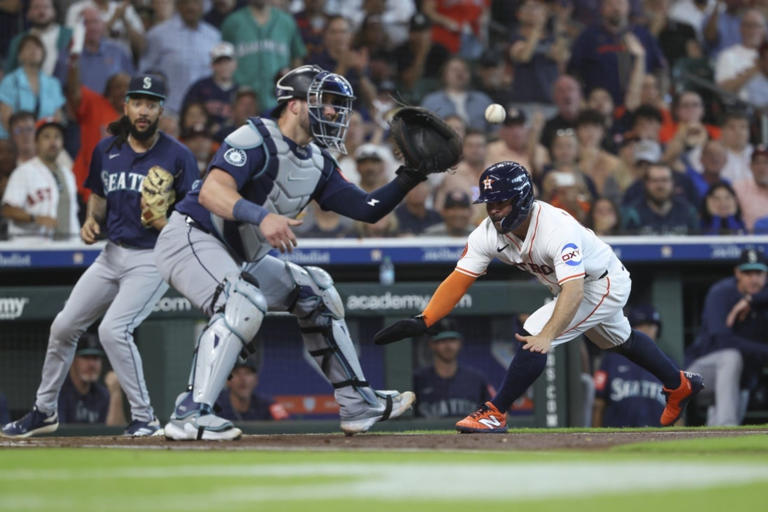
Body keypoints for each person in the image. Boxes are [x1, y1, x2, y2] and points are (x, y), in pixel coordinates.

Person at [154, 64, 426, 440]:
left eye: (337, 105)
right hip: (189, 237)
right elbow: (210, 192)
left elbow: (368, 209)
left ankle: (357, 402)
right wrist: (262, 217)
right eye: (325, 102)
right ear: (295, 104)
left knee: (316, 290)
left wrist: (410, 175)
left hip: (236, 255)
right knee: (243, 300)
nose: (333, 112)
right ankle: (191, 413)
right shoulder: (253, 137)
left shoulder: (317, 161)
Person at [373, 161, 703, 433]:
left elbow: (574, 289)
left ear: (522, 199)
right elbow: (460, 278)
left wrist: (547, 336)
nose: (494, 211)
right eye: (490, 204)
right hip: (572, 285)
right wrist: (425, 318)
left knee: (534, 330)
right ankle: (678, 383)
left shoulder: (556, 228)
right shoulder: (487, 233)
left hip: (601, 283)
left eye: (501, 203)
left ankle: (495, 412)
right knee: (618, 340)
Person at [0, 74, 198, 439]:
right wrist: (92, 219)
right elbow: (98, 194)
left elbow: (194, 218)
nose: (143, 111)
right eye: (138, 102)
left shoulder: (178, 155)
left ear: (160, 111)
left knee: (113, 330)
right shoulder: (107, 149)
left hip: (152, 258)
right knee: (62, 326)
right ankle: (44, 412)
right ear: (126, 106)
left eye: (151, 104)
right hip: (111, 255)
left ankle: (145, 418)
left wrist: (163, 221)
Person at [686, 249, 768, 426]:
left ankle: (721, 429)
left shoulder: (761, 298)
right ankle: (727, 425)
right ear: (737, 273)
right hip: (699, 376)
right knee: (731, 357)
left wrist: (752, 300)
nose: (754, 279)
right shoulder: (721, 293)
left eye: (759, 273)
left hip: (739, 381)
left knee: (716, 433)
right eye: (748, 273)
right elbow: (723, 341)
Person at [221, 0, 306, 112]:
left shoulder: (287, 21)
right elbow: (222, 61)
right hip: (243, 100)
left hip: (279, 100)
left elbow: (297, 57)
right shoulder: (232, 22)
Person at [1, 118, 78, 240]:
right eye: (46, 137)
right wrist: (35, 218)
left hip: (68, 246)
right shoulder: (23, 172)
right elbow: (7, 210)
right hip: (31, 248)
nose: (53, 142)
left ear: (62, 143)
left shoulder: (69, 175)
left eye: (57, 137)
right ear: (36, 142)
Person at [139, 0, 221, 114]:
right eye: (185, 2)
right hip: (167, 109)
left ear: (203, 6)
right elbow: (145, 72)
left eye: (196, 3)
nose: (191, 7)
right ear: (177, 5)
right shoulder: (158, 34)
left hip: (204, 112)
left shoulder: (214, 36)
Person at [592, 304, 667, 427]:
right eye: (641, 325)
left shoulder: (668, 362)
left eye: (651, 326)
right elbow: (598, 404)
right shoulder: (610, 360)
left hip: (658, 437)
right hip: (617, 434)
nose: (647, 330)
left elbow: (678, 409)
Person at [412, 319, 494, 418]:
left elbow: (494, 416)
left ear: (460, 343)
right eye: (442, 341)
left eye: (452, 340)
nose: (448, 346)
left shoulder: (476, 380)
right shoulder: (417, 380)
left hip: (468, 433)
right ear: (432, 344)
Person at [0, 34, 66, 140]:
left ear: (43, 54)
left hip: (44, 142)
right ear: (20, 55)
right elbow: (5, 118)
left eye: (37, 47)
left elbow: (57, 117)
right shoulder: (10, 81)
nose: (34, 50)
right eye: (28, 47)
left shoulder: (53, 84)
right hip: (13, 141)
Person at [57, 333, 126, 426]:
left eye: (95, 358)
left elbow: (116, 434)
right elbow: (57, 437)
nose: (91, 364)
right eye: (85, 357)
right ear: (72, 360)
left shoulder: (102, 395)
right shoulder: (58, 394)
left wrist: (115, 393)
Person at [622, 163, 700, 235]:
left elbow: (697, 244)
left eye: (664, 180)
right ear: (646, 184)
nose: (660, 185)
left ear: (673, 182)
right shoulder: (632, 213)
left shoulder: (687, 211)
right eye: (655, 180)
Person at [181, 42, 239, 136]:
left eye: (227, 62)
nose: (224, 66)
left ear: (235, 64)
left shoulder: (241, 91)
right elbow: (186, 116)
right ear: (212, 65)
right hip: (202, 137)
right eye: (219, 63)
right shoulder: (199, 87)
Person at [215, 354, 290, 422]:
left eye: (248, 373)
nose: (242, 379)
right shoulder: (215, 406)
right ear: (228, 381)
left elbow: (287, 427)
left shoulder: (267, 405)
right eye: (237, 373)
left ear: (256, 380)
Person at [4, 0, 71, 75]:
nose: (41, 11)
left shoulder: (69, 35)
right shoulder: (18, 41)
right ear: (28, 13)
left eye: (46, 7)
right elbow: (9, 72)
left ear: (54, 11)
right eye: (36, 7)